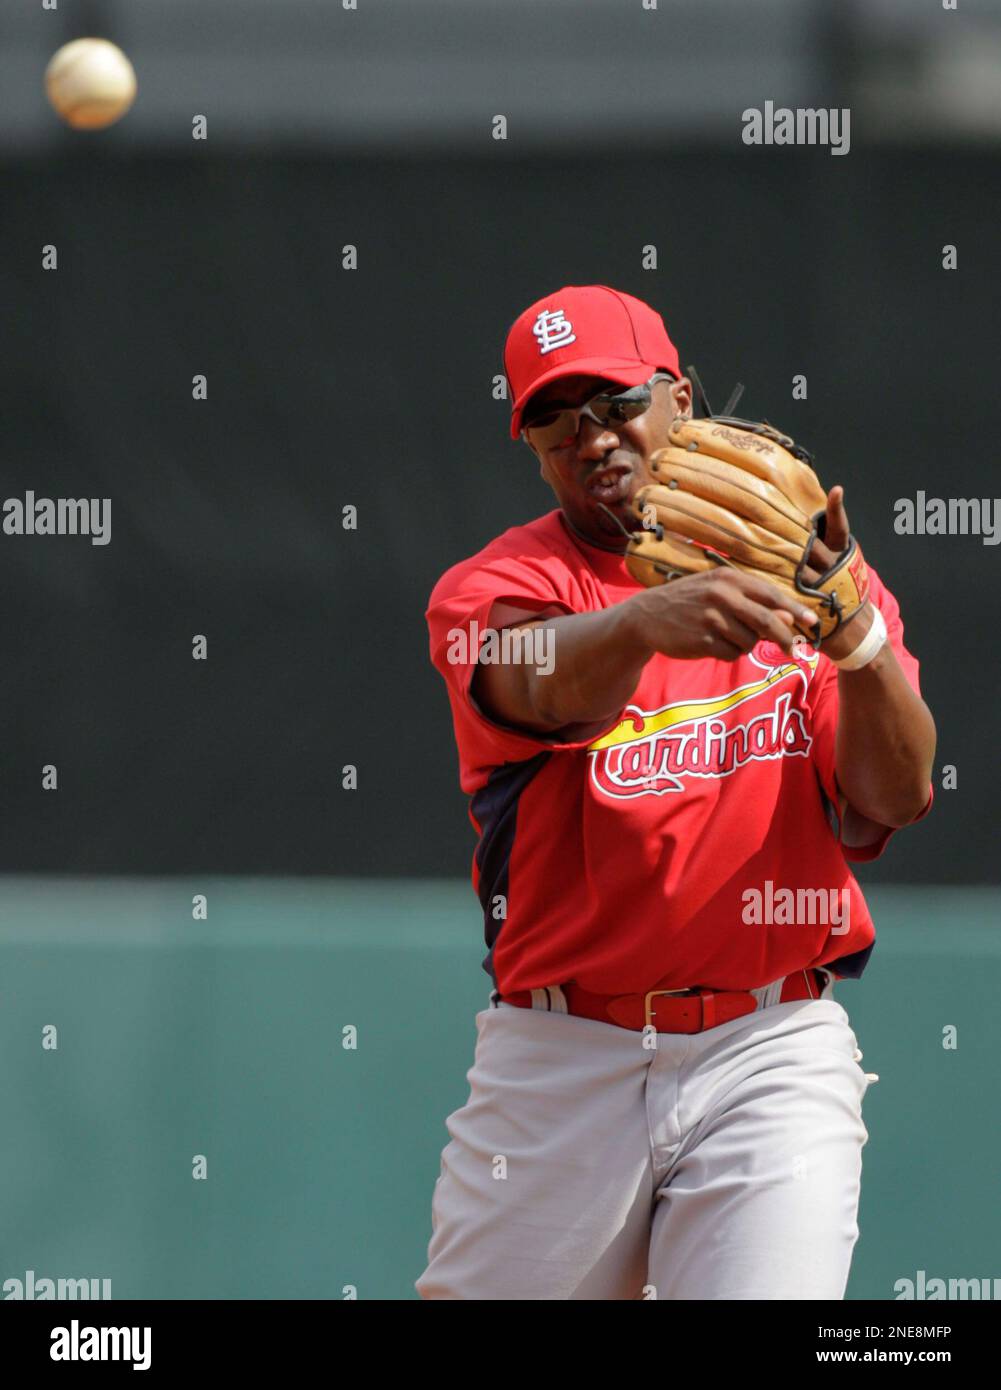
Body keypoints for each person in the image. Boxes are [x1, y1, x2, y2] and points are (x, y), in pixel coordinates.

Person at [417, 284, 935, 1300]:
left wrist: (856, 638)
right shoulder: (496, 586)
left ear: (680, 400)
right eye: (553, 419)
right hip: (561, 1055)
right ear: (529, 444)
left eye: (613, 402)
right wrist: (648, 617)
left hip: (767, 1047)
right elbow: (531, 677)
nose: (590, 437)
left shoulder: (809, 572)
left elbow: (897, 791)